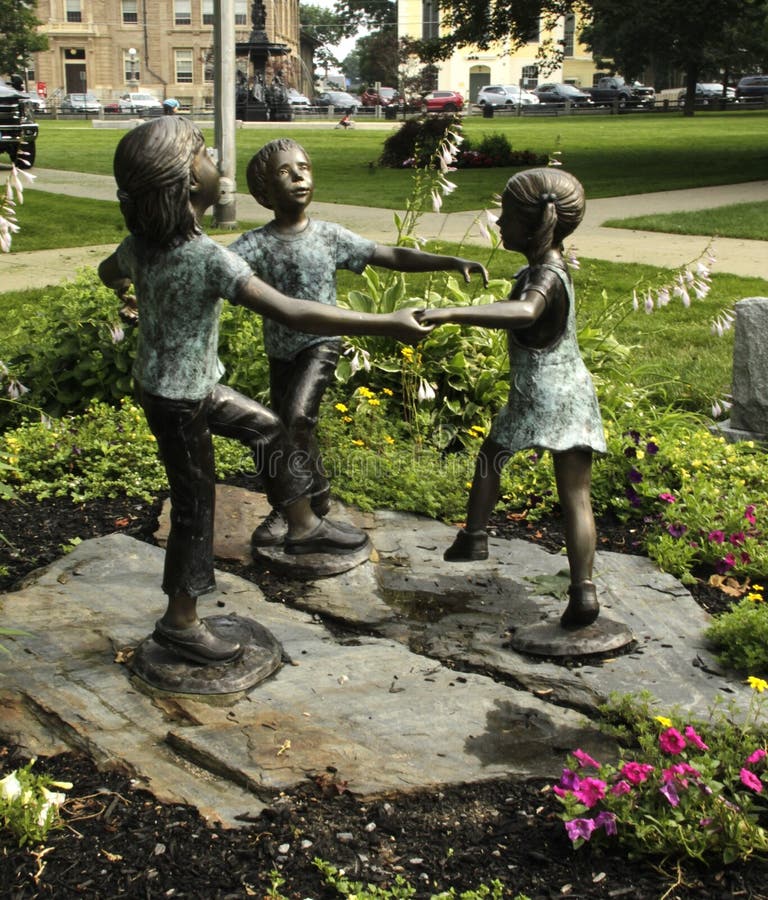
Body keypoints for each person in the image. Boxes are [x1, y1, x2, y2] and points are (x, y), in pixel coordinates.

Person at [98, 117, 432, 665]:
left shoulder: (139, 246)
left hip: (183, 388)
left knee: (270, 429)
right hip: (179, 402)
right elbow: (293, 311)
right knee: (194, 506)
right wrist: (385, 322)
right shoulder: (209, 259)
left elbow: (107, 271)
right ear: (189, 182)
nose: (217, 165)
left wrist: (126, 288)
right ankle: (180, 623)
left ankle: (302, 524)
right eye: (207, 156)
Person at [230, 138, 489, 545]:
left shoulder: (328, 236)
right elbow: (215, 270)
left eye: (304, 167)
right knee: (289, 427)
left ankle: (290, 508)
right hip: (280, 351)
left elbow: (391, 255)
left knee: (295, 420)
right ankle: (315, 499)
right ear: (264, 191)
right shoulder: (256, 244)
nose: (298, 177)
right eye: (284, 172)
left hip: (321, 344)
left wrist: (449, 261)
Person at [418, 167, 606, 629]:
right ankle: (583, 590)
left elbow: (525, 311)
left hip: (539, 391)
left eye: (506, 214)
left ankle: (475, 535)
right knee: (575, 495)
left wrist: (452, 312)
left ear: (534, 222)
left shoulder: (545, 276)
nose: (499, 222)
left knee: (492, 455)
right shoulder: (549, 269)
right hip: (575, 392)